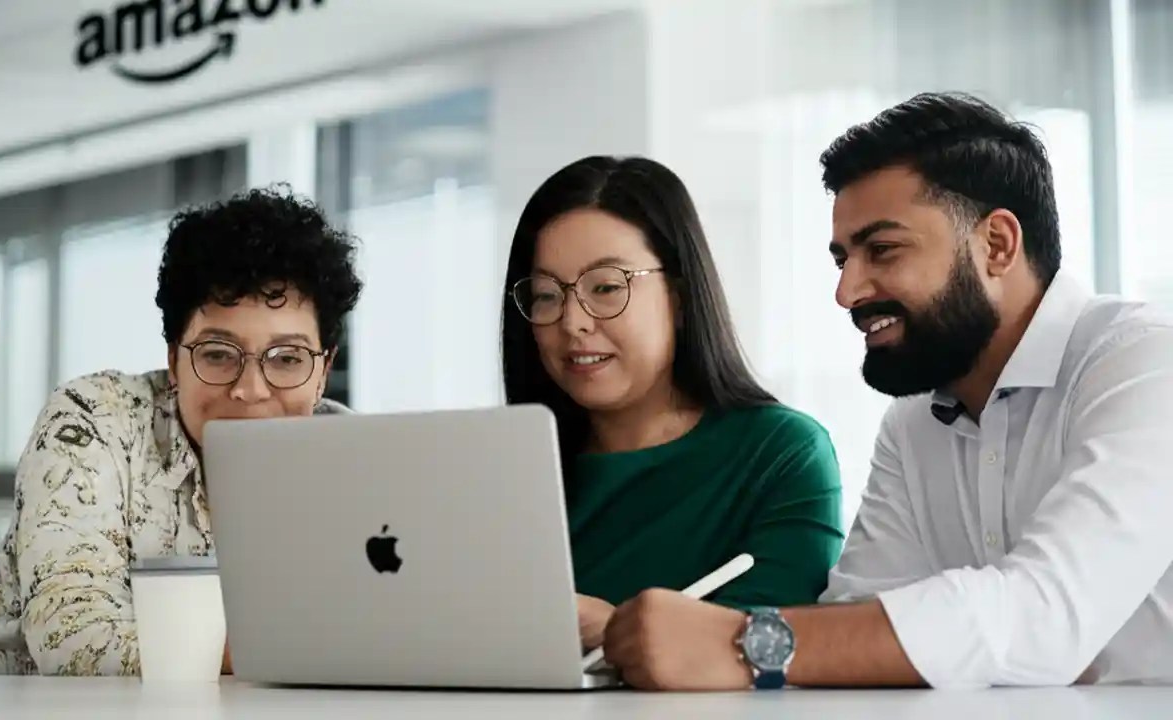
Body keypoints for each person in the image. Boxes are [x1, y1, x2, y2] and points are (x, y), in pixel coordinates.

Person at [594, 92, 1173, 691]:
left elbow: (1044, 615)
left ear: (997, 244)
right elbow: (853, 621)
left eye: (883, 250)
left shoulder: (1146, 362)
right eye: (842, 258)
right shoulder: (914, 422)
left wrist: (741, 643)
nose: (847, 292)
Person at [0, 187, 362, 676]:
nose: (251, 391)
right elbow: (74, 641)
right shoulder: (95, 420)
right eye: (218, 353)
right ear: (174, 359)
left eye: (287, 359)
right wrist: (298, 649)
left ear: (324, 371)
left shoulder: (346, 454)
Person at [500, 155, 845, 652]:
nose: (572, 321)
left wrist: (616, 630)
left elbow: (781, 650)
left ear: (679, 298)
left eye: (605, 288)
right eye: (546, 294)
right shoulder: (509, 468)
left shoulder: (781, 453)